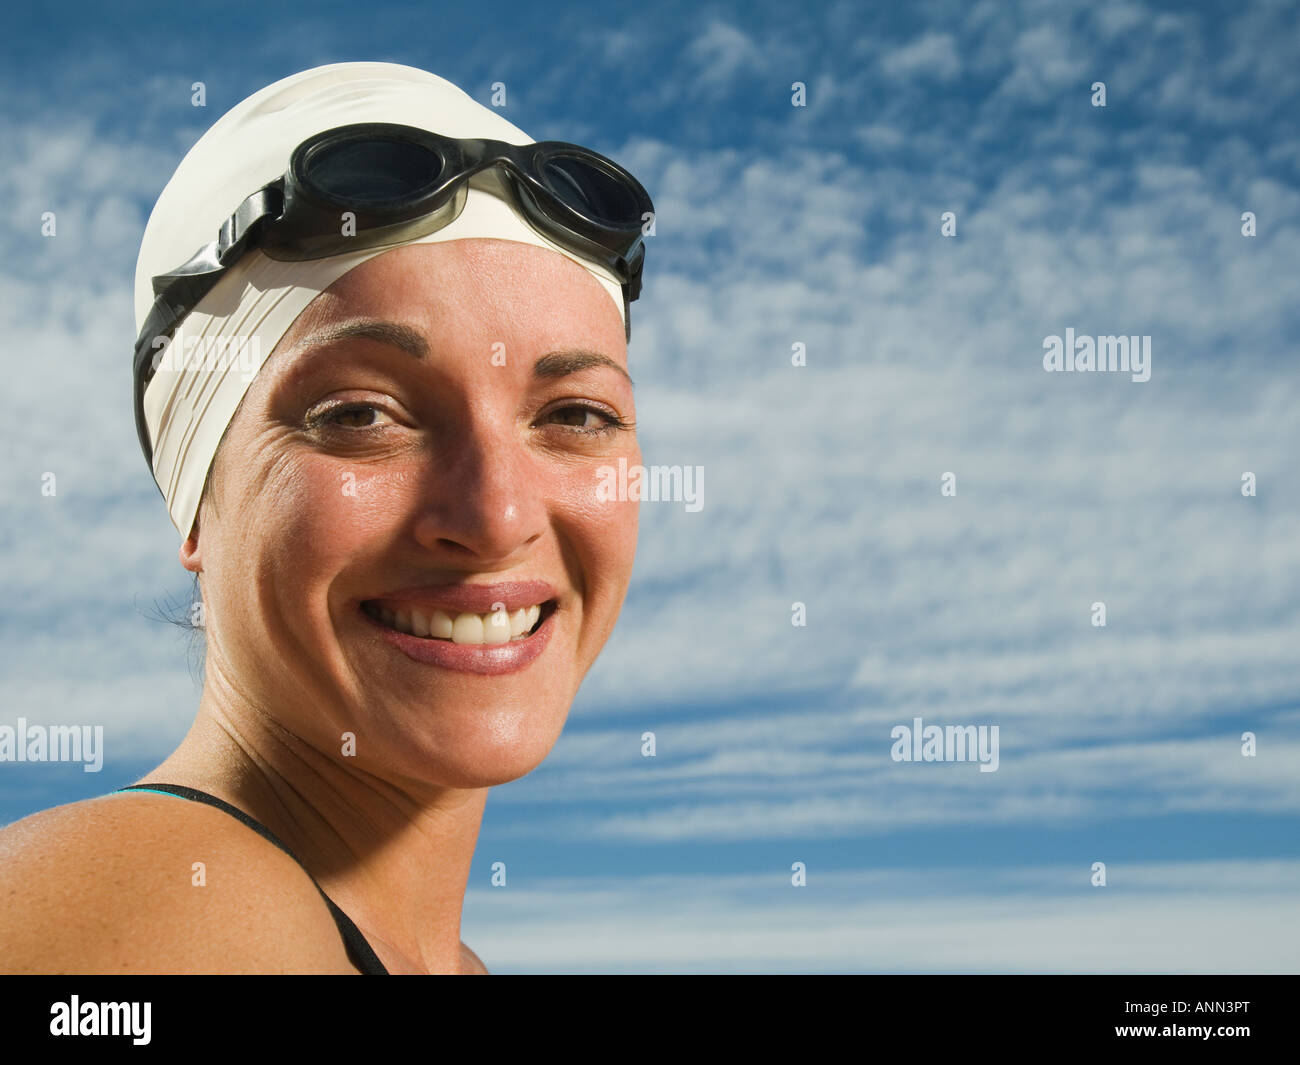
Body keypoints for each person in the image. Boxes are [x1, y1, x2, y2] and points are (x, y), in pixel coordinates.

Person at [0, 61, 653, 974]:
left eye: (575, 416)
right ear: (196, 502)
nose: (496, 517)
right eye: (360, 416)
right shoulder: (172, 916)